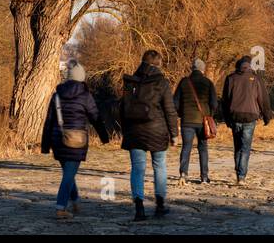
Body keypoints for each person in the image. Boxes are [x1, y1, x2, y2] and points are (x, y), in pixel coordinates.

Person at [40, 61, 111, 220]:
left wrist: (45, 145)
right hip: (76, 141)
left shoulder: (57, 95)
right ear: (81, 77)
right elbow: (96, 117)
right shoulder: (85, 96)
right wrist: (104, 137)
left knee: (68, 173)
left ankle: (76, 201)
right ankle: (60, 207)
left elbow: (49, 121)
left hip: (58, 140)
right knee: (69, 175)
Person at [119, 49, 177, 221]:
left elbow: (122, 109)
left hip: (135, 132)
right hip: (157, 131)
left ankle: (139, 209)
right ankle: (160, 205)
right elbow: (169, 110)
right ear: (158, 64)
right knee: (159, 166)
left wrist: (125, 130)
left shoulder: (130, 82)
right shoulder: (162, 83)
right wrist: (174, 133)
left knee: (138, 168)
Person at [220, 55, 271, 186]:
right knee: (245, 147)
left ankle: (239, 173)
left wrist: (226, 117)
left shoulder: (231, 78)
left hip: (235, 115)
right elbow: (263, 99)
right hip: (250, 115)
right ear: (250, 66)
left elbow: (225, 100)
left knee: (237, 146)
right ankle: (242, 176)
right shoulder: (256, 79)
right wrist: (267, 116)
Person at [174, 58, 218, 184]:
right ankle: (204, 177)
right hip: (203, 121)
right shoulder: (208, 83)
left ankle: (183, 174)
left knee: (186, 147)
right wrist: (210, 115)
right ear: (203, 70)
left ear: (192, 69)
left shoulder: (184, 82)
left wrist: (181, 114)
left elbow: (175, 102)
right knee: (203, 147)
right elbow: (214, 103)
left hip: (187, 120)